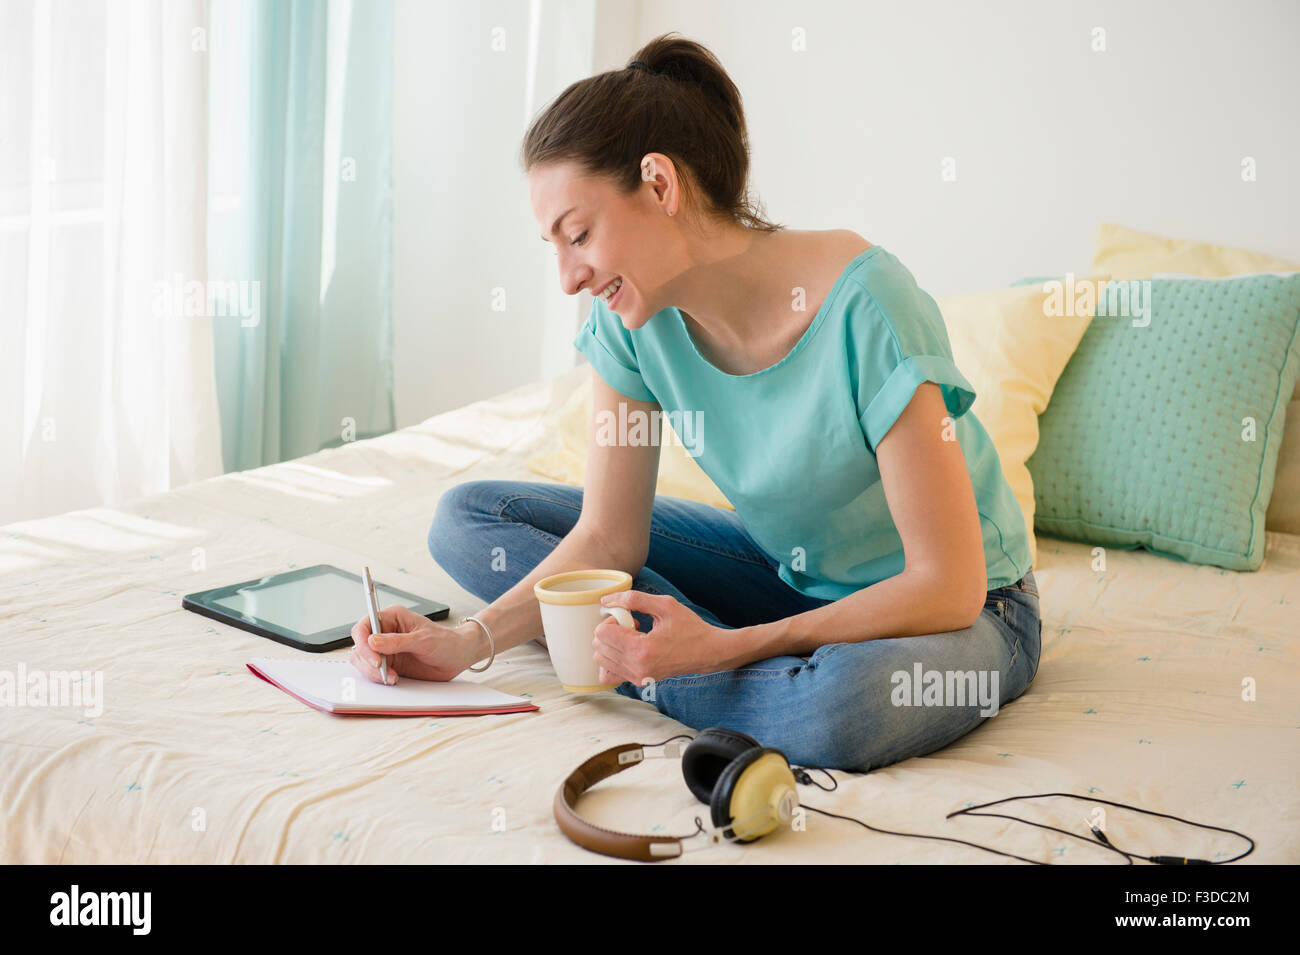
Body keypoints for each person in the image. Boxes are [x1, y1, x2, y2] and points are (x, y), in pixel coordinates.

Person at [350, 33, 1040, 772]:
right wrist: (469, 642)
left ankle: (676, 667)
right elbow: (610, 541)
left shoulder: (866, 305)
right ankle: (704, 668)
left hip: (967, 612)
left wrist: (724, 645)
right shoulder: (629, 322)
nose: (568, 277)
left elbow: (948, 584)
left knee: (844, 706)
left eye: (578, 235)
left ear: (659, 185)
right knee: (471, 518)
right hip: (790, 579)